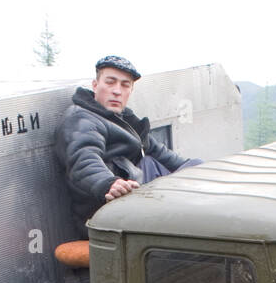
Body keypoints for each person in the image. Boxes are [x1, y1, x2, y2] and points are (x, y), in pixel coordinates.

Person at [54, 55, 201, 234]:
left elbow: (160, 153)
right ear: (95, 85)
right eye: (110, 82)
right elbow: (83, 161)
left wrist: (200, 171)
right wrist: (109, 183)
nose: (117, 91)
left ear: (130, 90)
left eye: (125, 85)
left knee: (194, 167)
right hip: (107, 211)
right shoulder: (81, 119)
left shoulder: (124, 120)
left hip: (138, 197)